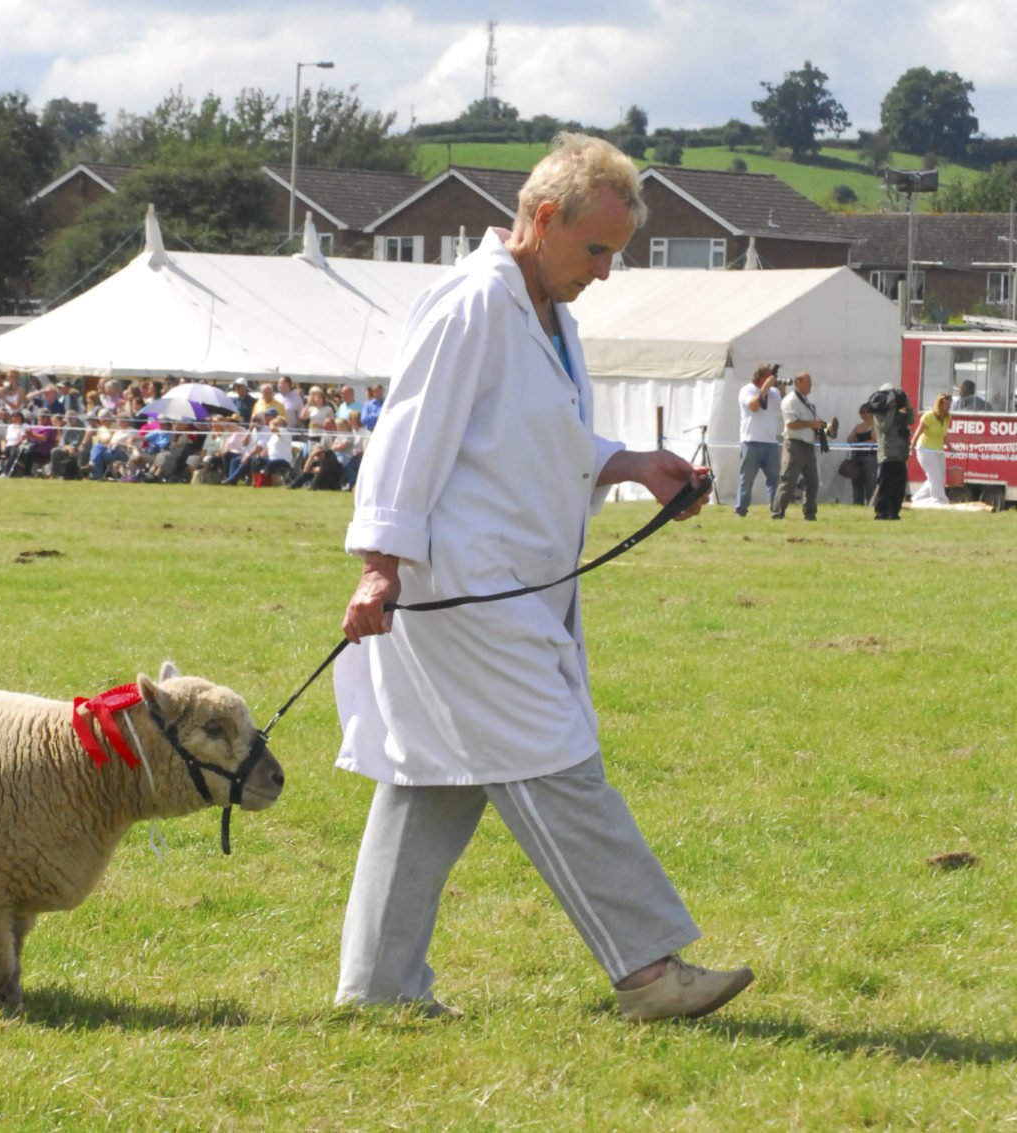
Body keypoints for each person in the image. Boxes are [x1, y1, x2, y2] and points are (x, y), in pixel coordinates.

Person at [332, 133, 751, 1024]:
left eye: (616, 256)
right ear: (543, 216)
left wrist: (631, 462)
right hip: (460, 591)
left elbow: (532, 443)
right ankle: (647, 969)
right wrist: (378, 567)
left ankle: (377, 988)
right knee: (556, 758)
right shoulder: (472, 304)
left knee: (432, 783)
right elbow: (406, 438)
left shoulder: (550, 314)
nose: (604, 272)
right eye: (596, 250)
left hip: (514, 586)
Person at [771, 371, 827, 521]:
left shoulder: (806, 402)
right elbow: (790, 424)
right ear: (798, 382)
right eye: (808, 382)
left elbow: (810, 424)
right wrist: (811, 424)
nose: (811, 385)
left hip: (808, 446)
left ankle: (810, 513)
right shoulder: (790, 401)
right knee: (788, 481)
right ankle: (777, 513)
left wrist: (821, 428)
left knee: (812, 482)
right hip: (794, 445)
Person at [735, 362, 783, 517]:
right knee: (747, 479)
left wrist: (781, 389)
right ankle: (741, 509)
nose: (773, 379)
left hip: (771, 442)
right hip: (751, 441)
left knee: (774, 480)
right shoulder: (747, 389)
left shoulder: (774, 392)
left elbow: (782, 408)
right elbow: (754, 406)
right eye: (770, 376)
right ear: (761, 377)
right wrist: (764, 388)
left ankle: (775, 509)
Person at [867, 385, 914, 520]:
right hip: (887, 455)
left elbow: (911, 420)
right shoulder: (878, 414)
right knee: (885, 486)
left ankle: (894, 512)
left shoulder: (899, 412)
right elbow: (884, 428)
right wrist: (892, 408)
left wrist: (908, 406)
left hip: (900, 455)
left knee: (899, 487)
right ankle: (881, 513)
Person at [910, 392, 953, 507]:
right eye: (947, 405)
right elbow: (917, 433)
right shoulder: (928, 416)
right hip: (925, 450)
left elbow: (944, 435)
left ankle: (917, 498)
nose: (949, 407)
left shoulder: (948, 417)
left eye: (950, 405)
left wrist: (951, 448)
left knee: (939, 476)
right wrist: (911, 447)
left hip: (938, 450)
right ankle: (938, 499)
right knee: (934, 475)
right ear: (940, 404)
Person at [842, 404, 877, 506]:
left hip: (870, 457)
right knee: (857, 481)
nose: (864, 414)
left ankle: (871, 503)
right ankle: (857, 503)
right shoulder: (858, 426)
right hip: (857, 457)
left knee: (870, 481)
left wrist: (860, 443)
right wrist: (853, 440)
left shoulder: (874, 425)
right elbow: (849, 438)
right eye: (862, 412)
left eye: (867, 412)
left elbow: (874, 440)